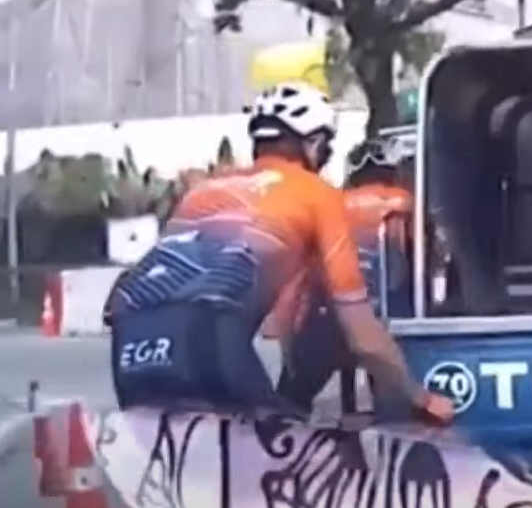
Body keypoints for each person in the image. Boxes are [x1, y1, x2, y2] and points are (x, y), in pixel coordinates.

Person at [104, 82, 453, 423]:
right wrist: (422, 398)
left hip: (130, 336)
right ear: (314, 144)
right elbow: (362, 336)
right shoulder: (319, 196)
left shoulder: (202, 193)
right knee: (282, 451)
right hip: (208, 335)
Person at [275, 133, 419, 413]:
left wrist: (289, 344)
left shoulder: (328, 204)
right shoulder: (408, 204)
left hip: (328, 323)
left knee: (287, 404)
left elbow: (298, 281)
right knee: (401, 415)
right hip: (388, 327)